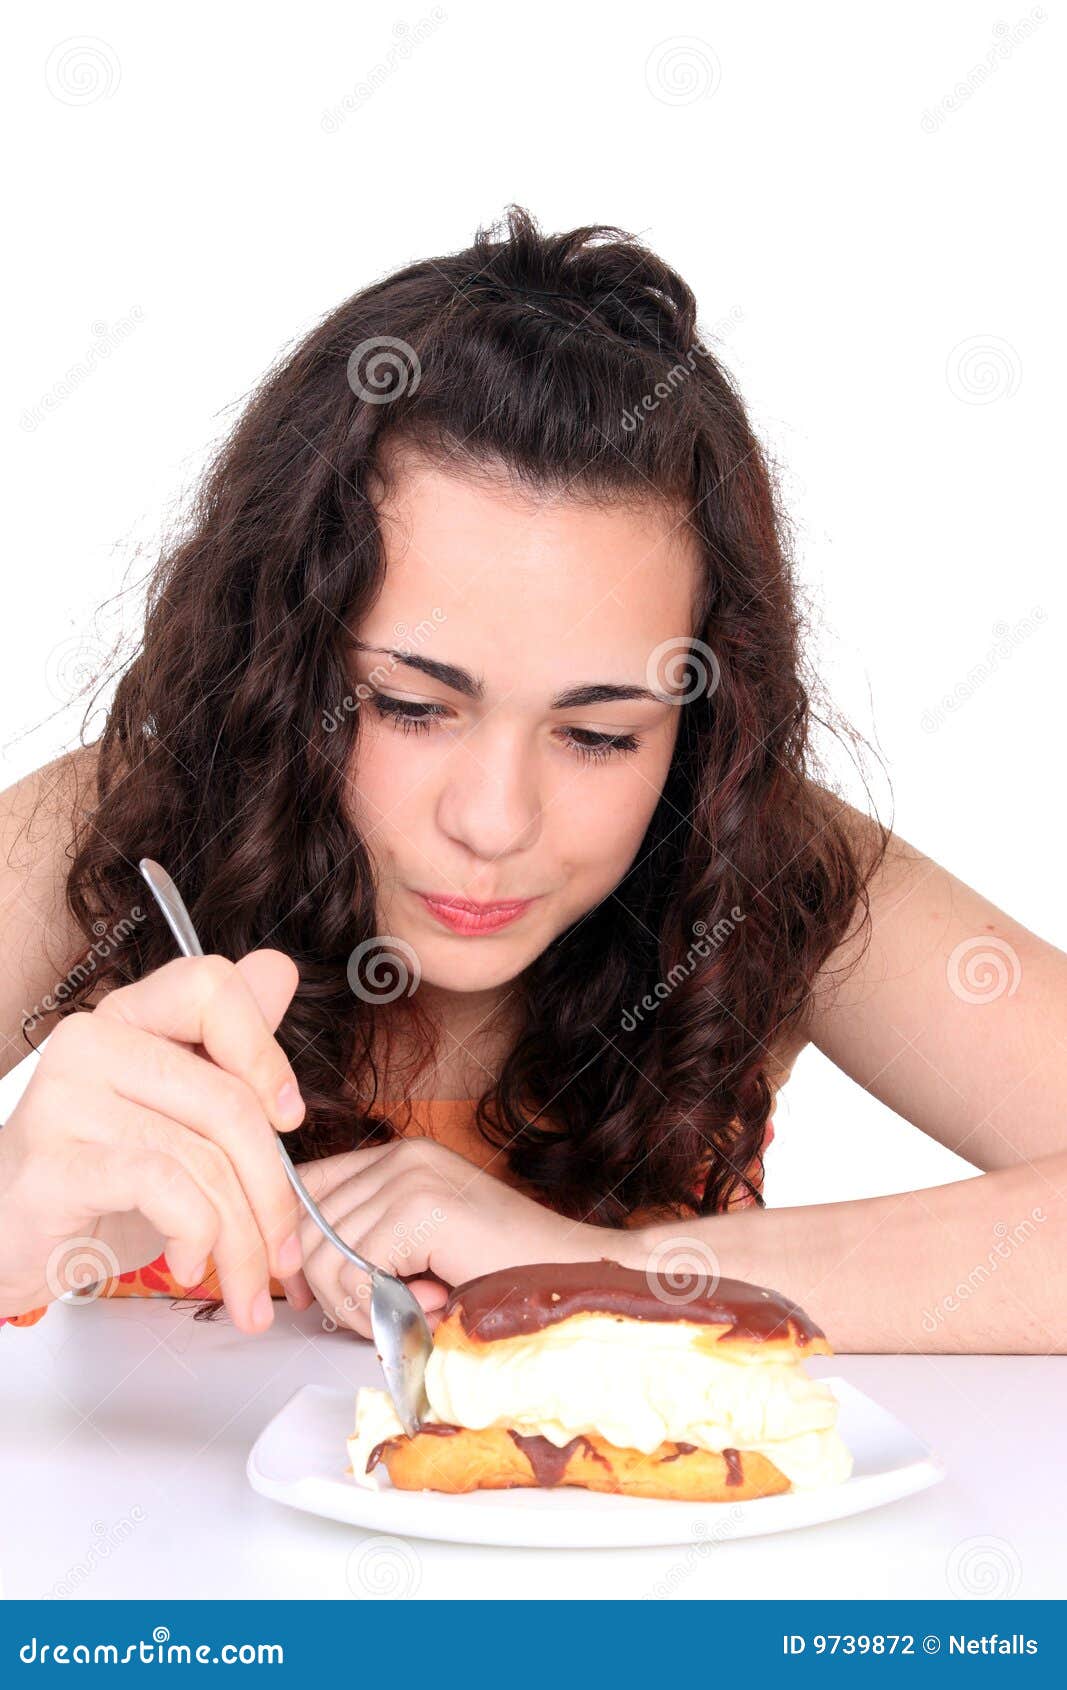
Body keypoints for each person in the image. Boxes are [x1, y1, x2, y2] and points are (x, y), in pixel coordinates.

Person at [1, 207, 1063, 1354]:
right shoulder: (116, 830)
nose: (493, 821)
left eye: (599, 734)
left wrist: (610, 1273)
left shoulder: (753, 854)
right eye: (410, 706)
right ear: (286, 661)